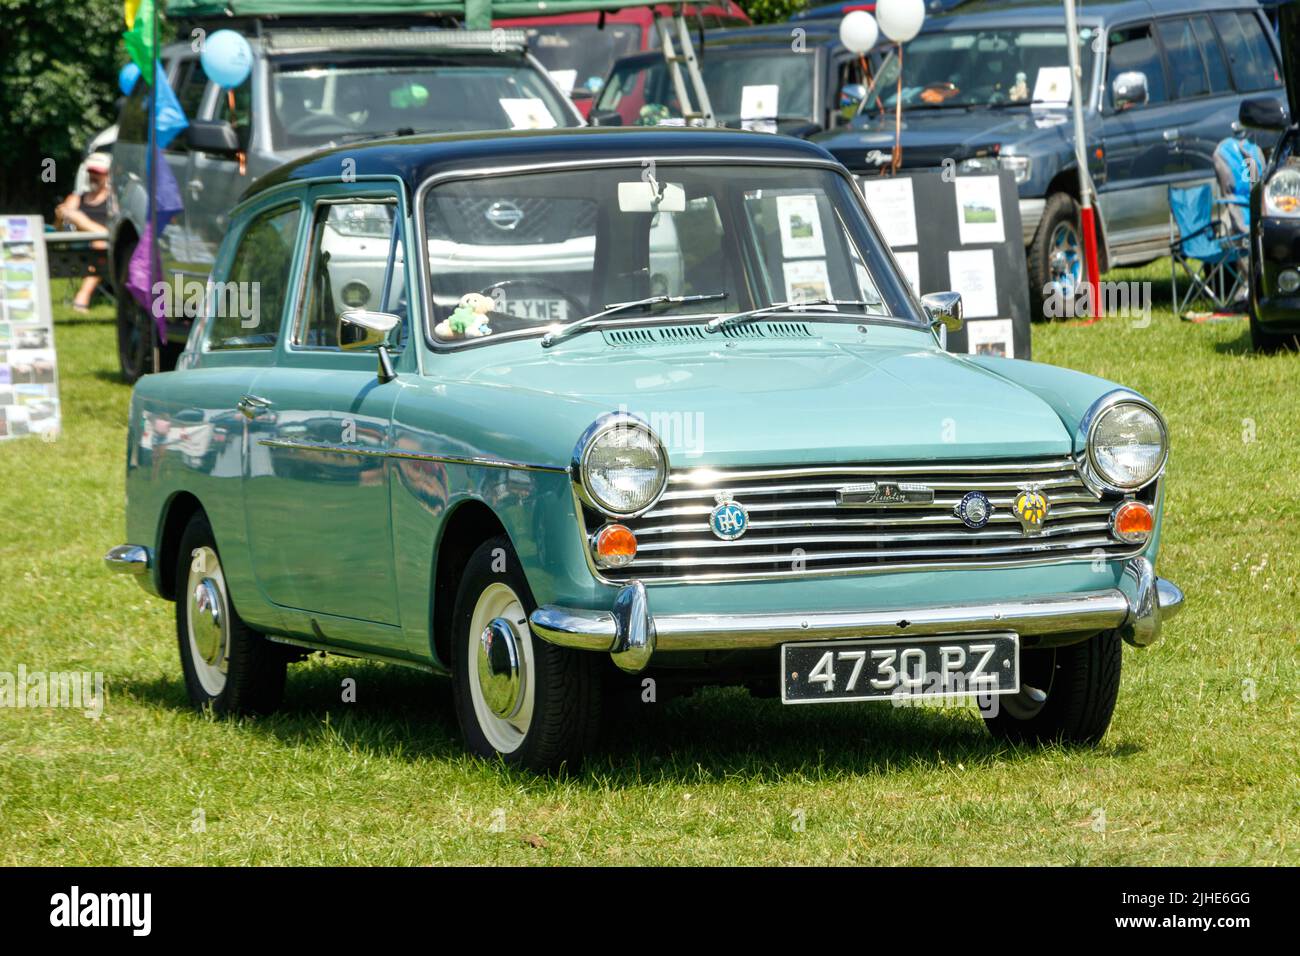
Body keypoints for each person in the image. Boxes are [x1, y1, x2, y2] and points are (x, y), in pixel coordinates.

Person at [54, 152, 111, 312]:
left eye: (98, 173)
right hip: (79, 246)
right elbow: (58, 231)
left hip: (107, 244)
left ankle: (83, 295)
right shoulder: (76, 198)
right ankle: (82, 298)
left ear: (108, 175)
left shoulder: (113, 200)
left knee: (100, 241)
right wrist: (59, 218)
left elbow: (113, 232)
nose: (93, 176)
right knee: (99, 242)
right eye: (91, 172)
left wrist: (80, 221)